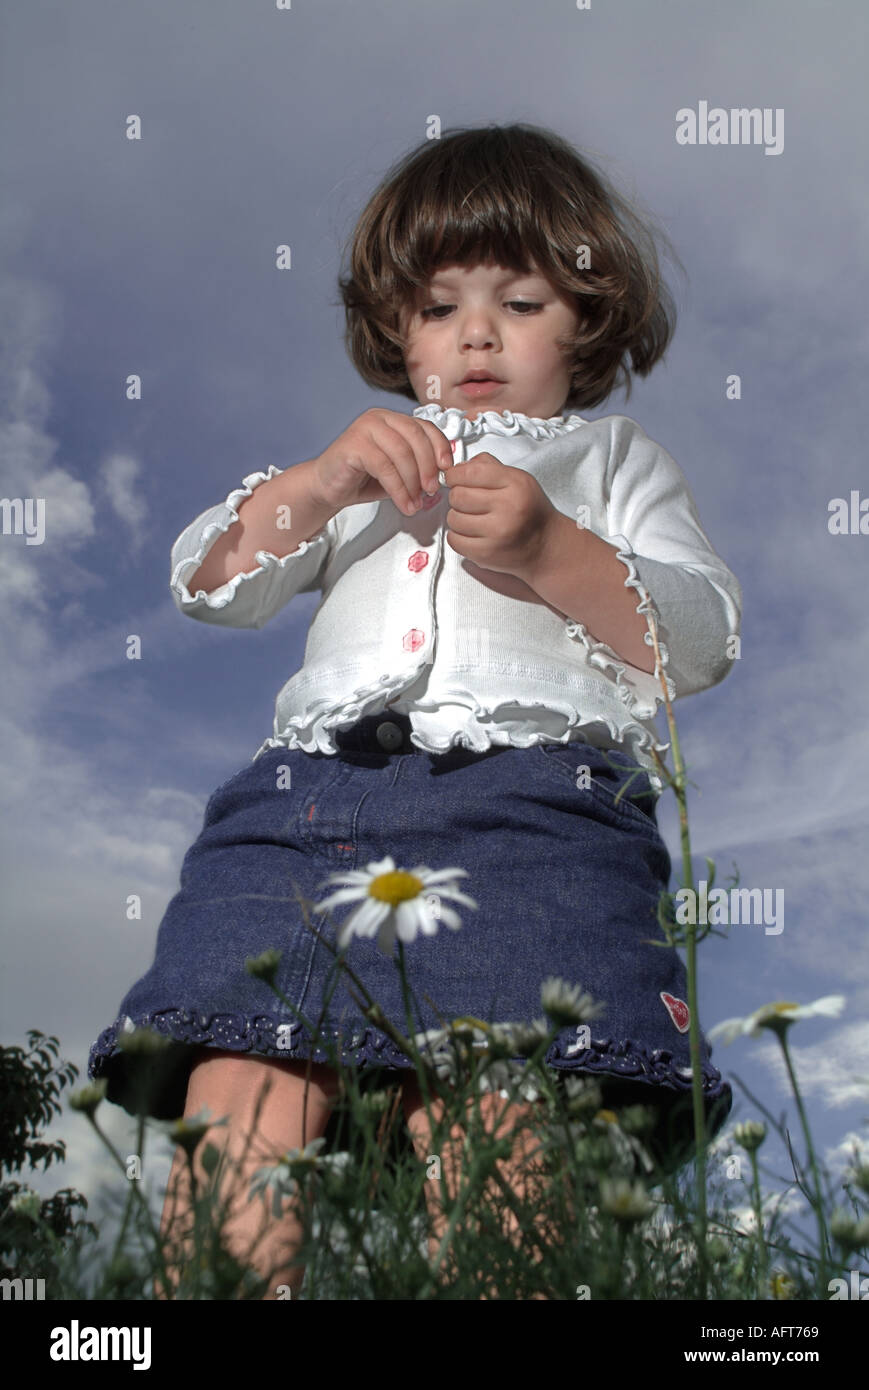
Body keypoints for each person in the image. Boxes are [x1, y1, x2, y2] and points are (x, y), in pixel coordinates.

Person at [88, 122, 742, 1298]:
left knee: (502, 1103)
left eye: (522, 299)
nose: (476, 332)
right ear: (397, 330)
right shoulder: (366, 462)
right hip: (307, 802)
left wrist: (554, 547)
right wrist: (319, 482)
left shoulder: (613, 460)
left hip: (535, 811)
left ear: (587, 318)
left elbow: (692, 641)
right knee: (244, 1067)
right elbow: (211, 585)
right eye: (438, 306)